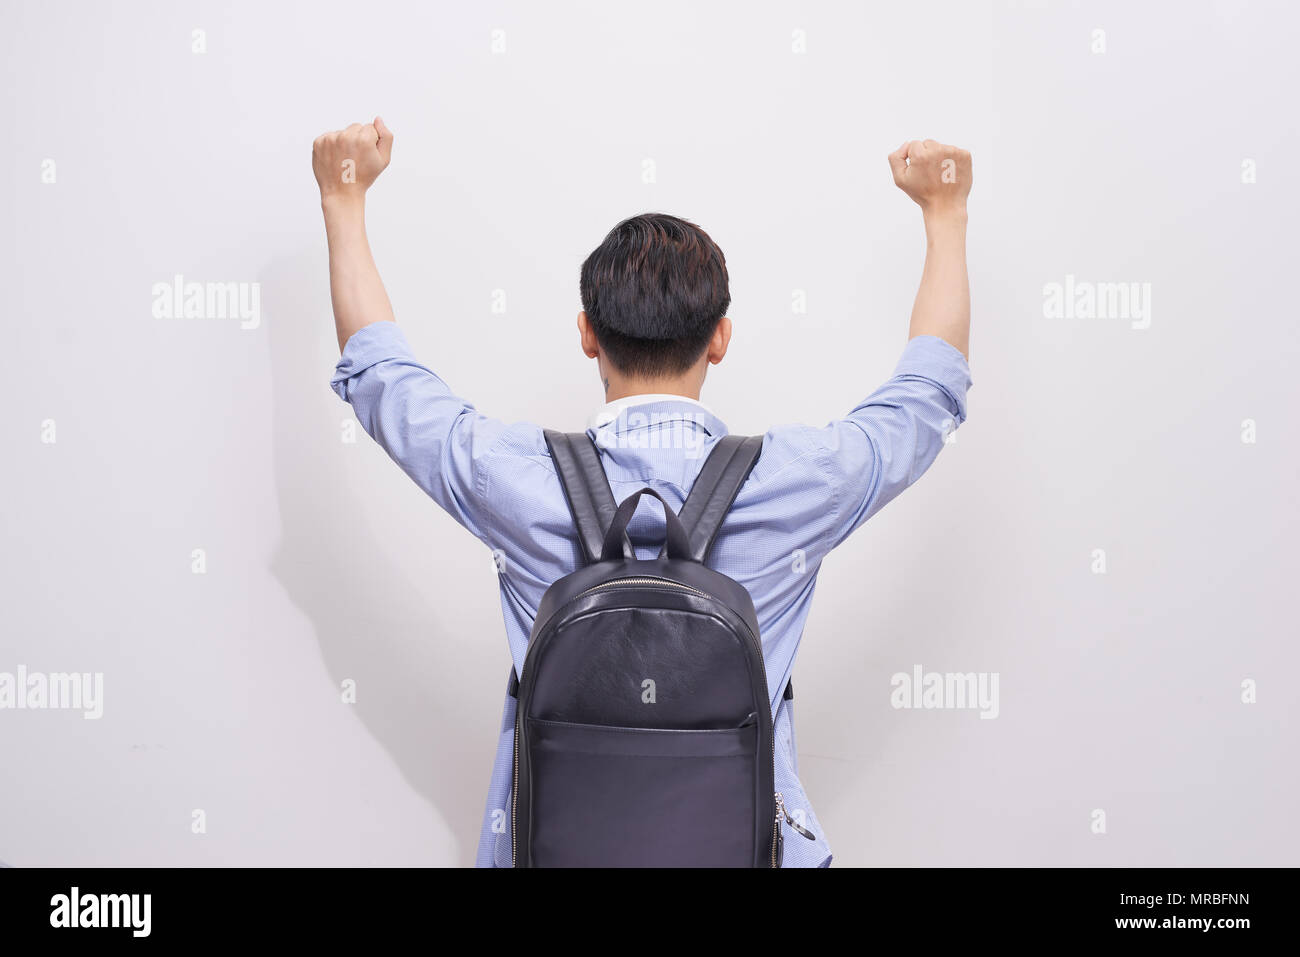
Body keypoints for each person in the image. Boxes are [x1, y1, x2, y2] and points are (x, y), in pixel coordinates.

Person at [313, 117, 973, 867]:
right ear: (720, 338)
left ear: (588, 333)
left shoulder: (513, 477)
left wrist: (345, 197)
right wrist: (944, 212)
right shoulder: (800, 480)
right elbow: (929, 394)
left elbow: (380, 380)